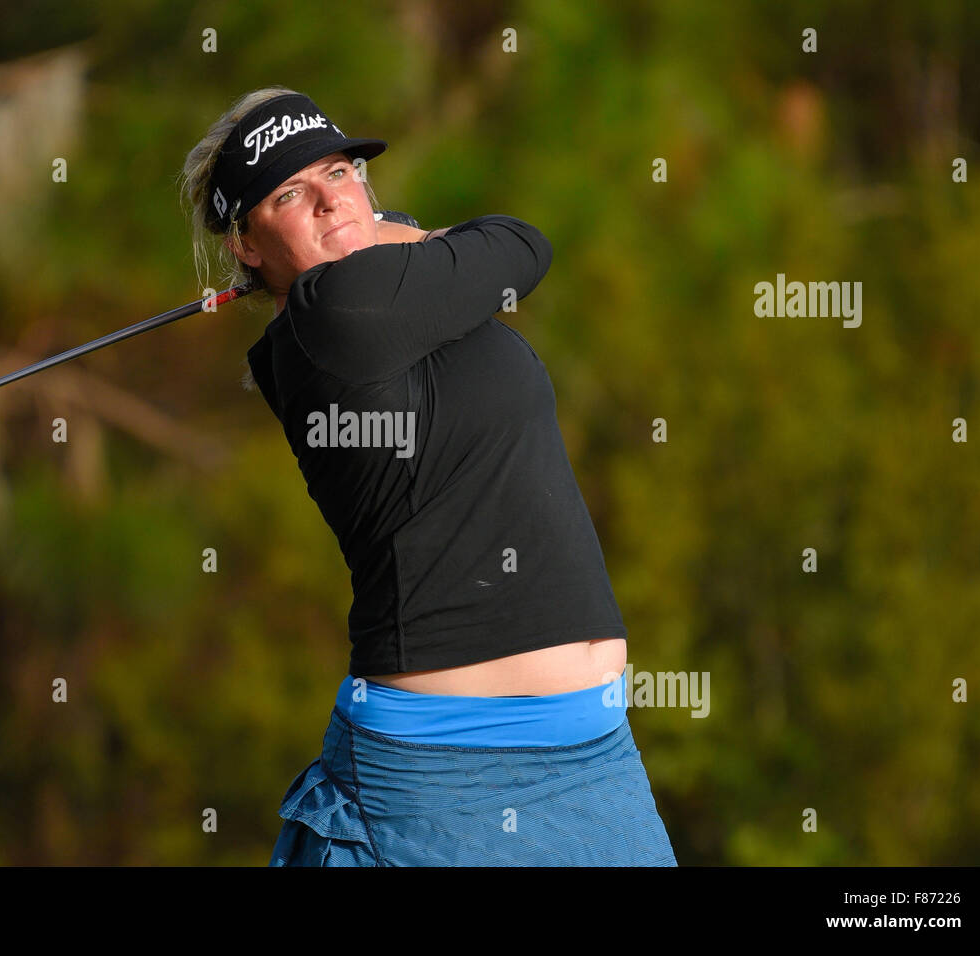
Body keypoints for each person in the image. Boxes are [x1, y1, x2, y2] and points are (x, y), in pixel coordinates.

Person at [179, 87, 677, 866]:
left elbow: (518, 247)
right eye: (289, 194)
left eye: (339, 173)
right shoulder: (324, 321)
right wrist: (401, 234)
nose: (328, 202)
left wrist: (391, 238)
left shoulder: (403, 303)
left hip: (595, 758)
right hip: (441, 786)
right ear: (247, 246)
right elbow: (515, 246)